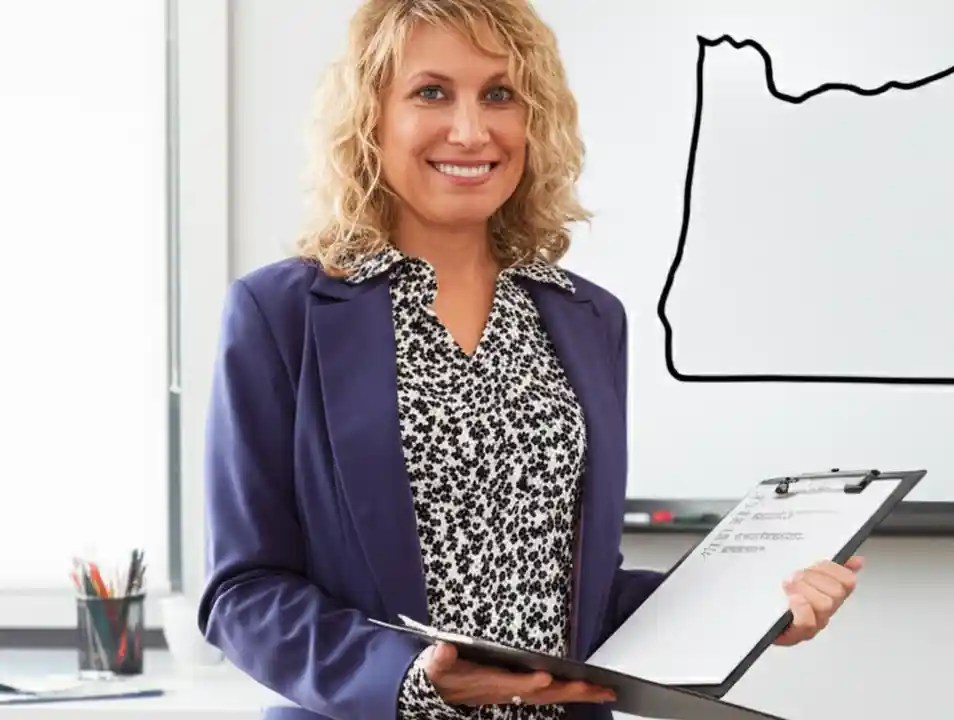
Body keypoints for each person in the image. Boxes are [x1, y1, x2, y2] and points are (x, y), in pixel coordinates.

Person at [197, 1, 865, 719]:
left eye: (499, 94)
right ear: (370, 118)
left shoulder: (588, 318)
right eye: (431, 93)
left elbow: (580, 599)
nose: (471, 129)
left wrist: (753, 611)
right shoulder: (283, 312)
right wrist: (409, 680)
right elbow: (243, 592)